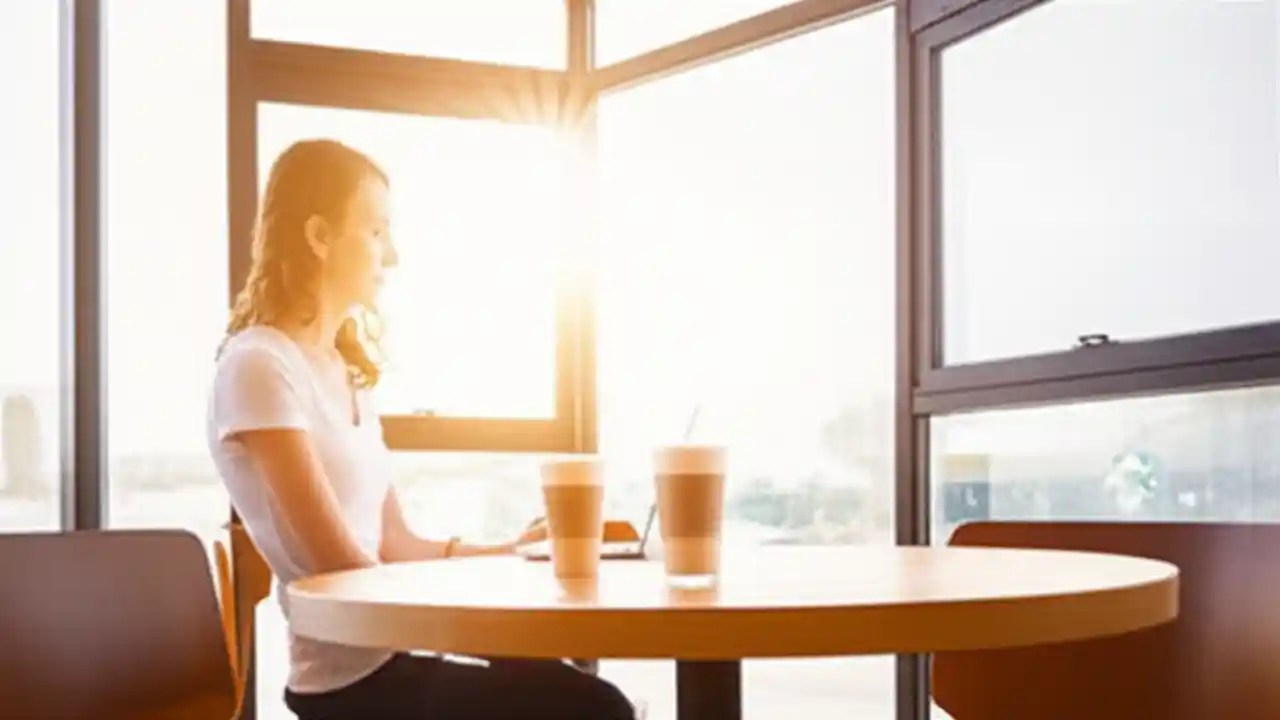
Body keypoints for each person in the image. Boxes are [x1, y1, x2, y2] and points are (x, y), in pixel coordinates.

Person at [207, 139, 635, 720]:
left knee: (578, 693)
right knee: (589, 708)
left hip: (395, 659)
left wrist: (511, 550)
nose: (393, 256)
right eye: (378, 231)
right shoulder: (260, 364)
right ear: (319, 236)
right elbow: (337, 562)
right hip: (349, 687)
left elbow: (394, 545)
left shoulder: (343, 372)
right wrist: (477, 623)